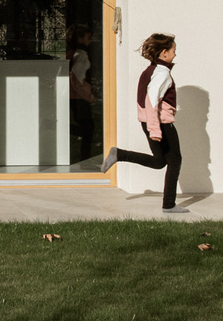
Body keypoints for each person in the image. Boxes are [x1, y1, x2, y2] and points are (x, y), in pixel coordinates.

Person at [100, 33, 186, 213]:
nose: (175, 55)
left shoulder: (152, 70)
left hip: (150, 122)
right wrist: (155, 130)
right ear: (164, 53)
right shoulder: (162, 74)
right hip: (160, 124)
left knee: (159, 161)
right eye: (173, 51)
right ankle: (169, 205)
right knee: (175, 160)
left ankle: (119, 154)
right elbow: (152, 101)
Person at [65, 23, 98, 167]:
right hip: (79, 98)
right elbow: (77, 79)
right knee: (88, 129)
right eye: (88, 38)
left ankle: (85, 161)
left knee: (86, 128)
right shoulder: (82, 56)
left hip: (74, 97)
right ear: (80, 39)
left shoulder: (73, 54)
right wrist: (88, 96)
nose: (90, 41)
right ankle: (85, 161)